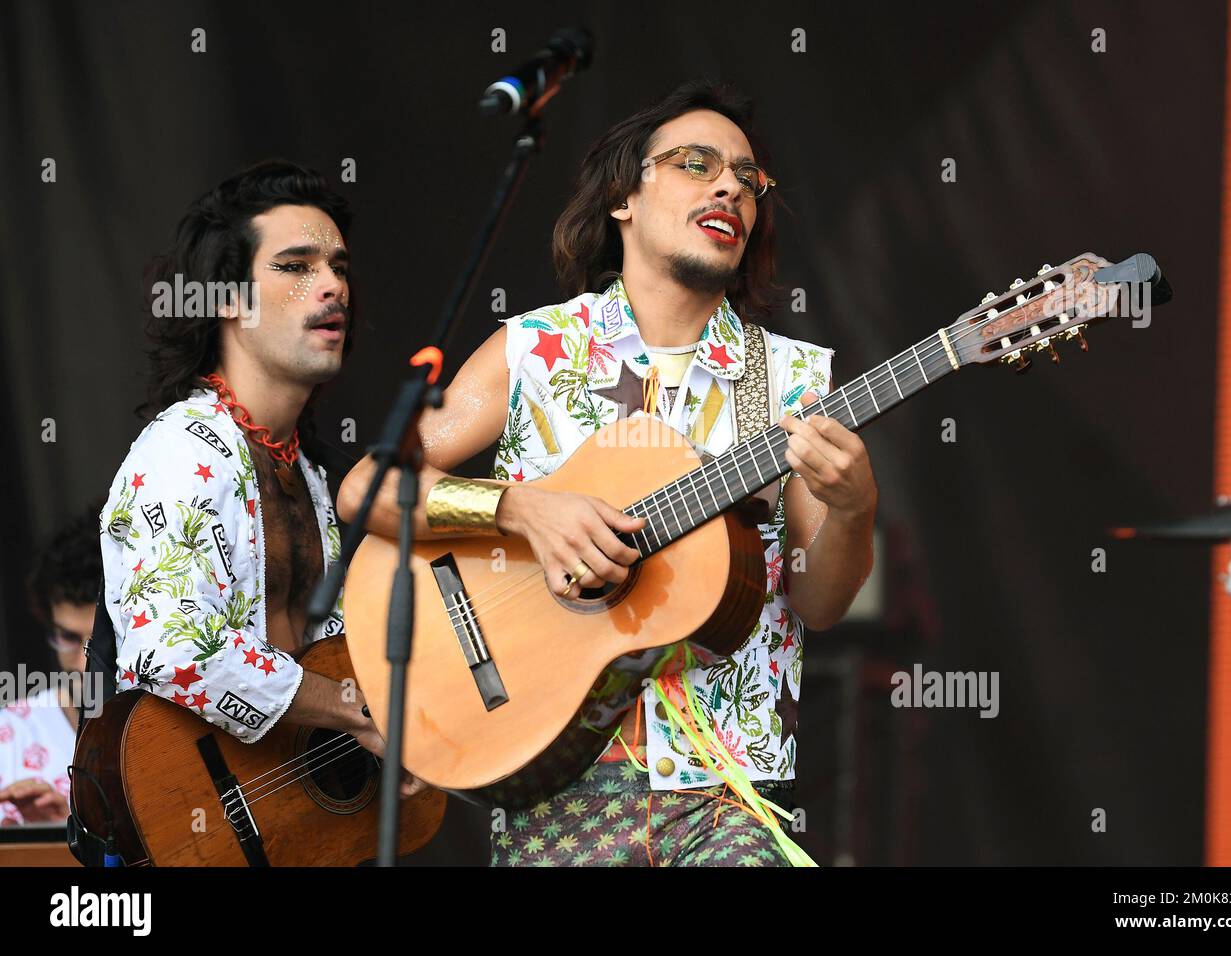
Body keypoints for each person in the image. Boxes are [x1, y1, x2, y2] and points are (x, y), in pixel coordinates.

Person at [341, 78, 878, 865]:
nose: (730, 184)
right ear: (624, 197)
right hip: (558, 776)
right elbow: (367, 489)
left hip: (731, 788)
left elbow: (820, 605)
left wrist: (854, 511)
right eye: (697, 163)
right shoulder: (534, 350)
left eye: (748, 179)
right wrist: (522, 512)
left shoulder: (793, 380)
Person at [100, 160, 420, 797]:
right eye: (295, 266)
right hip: (199, 820)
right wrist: (358, 710)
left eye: (338, 267)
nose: (332, 286)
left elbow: (316, 644)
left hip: (293, 817)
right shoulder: (179, 452)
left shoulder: (305, 467)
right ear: (225, 296)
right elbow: (173, 650)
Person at [0, 505, 101, 825]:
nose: (86, 664)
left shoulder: (174, 738)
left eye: (103, 643)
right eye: (69, 638)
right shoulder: (11, 735)